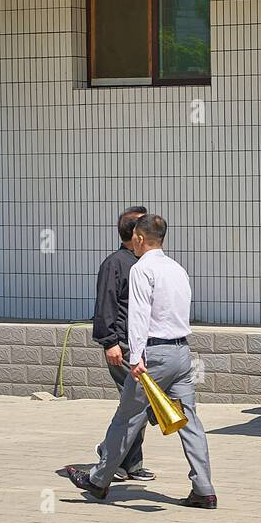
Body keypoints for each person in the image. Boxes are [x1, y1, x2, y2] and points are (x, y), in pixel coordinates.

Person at [64, 214, 217, 508]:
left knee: (127, 418)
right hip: (182, 353)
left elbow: (138, 317)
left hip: (154, 355)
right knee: (190, 422)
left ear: (140, 238)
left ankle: (97, 481)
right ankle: (204, 488)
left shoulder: (141, 269)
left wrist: (137, 358)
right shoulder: (177, 269)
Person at [90, 205, 154, 483]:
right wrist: (110, 342)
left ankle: (128, 461)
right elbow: (106, 304)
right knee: (136, 403)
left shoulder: (143, 262)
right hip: (123, 345)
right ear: (136, 233)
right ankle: (111, 453)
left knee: (137, 402)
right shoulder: (115, 263)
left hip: (143, 344)